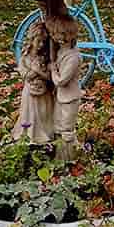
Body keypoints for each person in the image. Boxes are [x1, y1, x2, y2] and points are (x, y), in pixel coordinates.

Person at [45, 12, 82, 160]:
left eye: (56, 33)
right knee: (58, 127)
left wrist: (53, 69)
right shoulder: (61, 51)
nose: (54, 37)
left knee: (66, 130)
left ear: (66, 34)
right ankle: (60, 157)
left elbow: (62, 81)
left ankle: (68, 158)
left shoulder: (73, 57)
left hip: (70, 98)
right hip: (61, 97)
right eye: (53, 33)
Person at [14, 20, 54, 144]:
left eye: (43, 42)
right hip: (30, 91)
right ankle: (29, 134)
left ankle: (45, 133)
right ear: (31, 40)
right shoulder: (25, 57)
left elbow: (50, 76)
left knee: (43, 114)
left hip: (44, 91)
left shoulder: (45, 58)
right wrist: (35, 71)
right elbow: (26, 76)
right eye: (38, 41)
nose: (41, 44)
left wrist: (40, 72)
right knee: (30, 114)